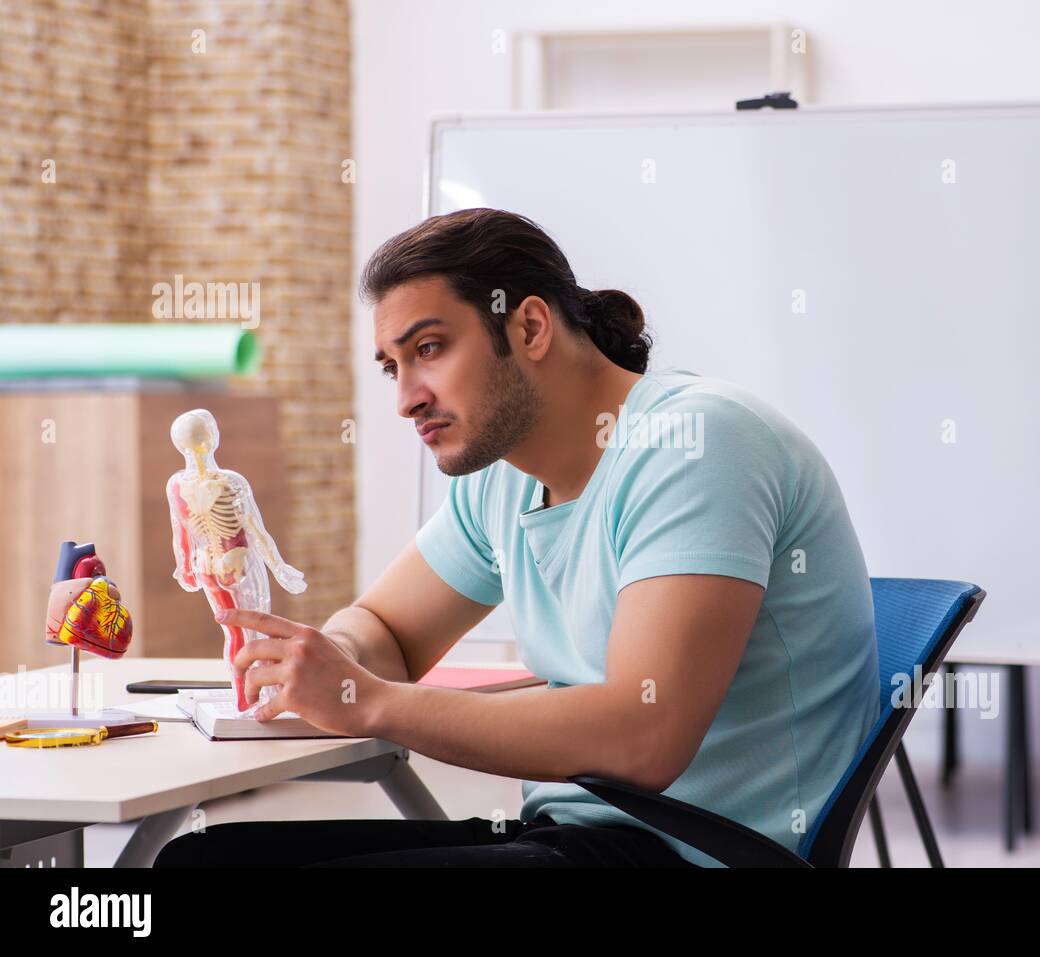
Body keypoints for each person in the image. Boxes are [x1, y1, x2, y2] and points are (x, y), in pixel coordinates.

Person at [139, 207, 879, 867]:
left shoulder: (695, 440)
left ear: (528, 327)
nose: (406, 398)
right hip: (574, 832)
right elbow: (387, 629)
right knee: (205, 861)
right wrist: (331, 661)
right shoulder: (503, 476)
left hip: (694, 852)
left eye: (428, 349)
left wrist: (368, 701)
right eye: (392, 366)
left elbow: (644, 736)